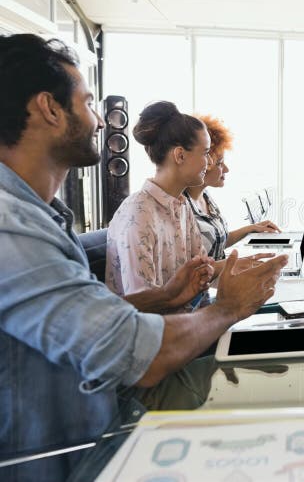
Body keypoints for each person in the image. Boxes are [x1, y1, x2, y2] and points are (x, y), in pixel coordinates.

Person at [0, 34, 287, 480]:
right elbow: (137, 354)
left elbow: (90, 315)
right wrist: (229, 306)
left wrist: (166, 295)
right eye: (89, 103)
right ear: (49, 109)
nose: (99, 121)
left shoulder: (43, 219)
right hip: (85, 453)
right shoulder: (11, 227)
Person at [105, 101, 240, 307]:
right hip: (160, 335)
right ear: (180, 155)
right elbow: (143, 307)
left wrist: (239, 268)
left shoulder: (182, 205)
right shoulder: (138, 214)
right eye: (205, 153)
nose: (209, 163)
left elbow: (201, 276)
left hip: (191, 323)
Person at [184, 114, 280, 261]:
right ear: (203, 163)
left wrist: (251, 228)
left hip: (221, 278)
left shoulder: (205, 196)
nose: (226, 169)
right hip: (211, 282)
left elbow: (218, 242)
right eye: (220, 163)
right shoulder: (182, 207)